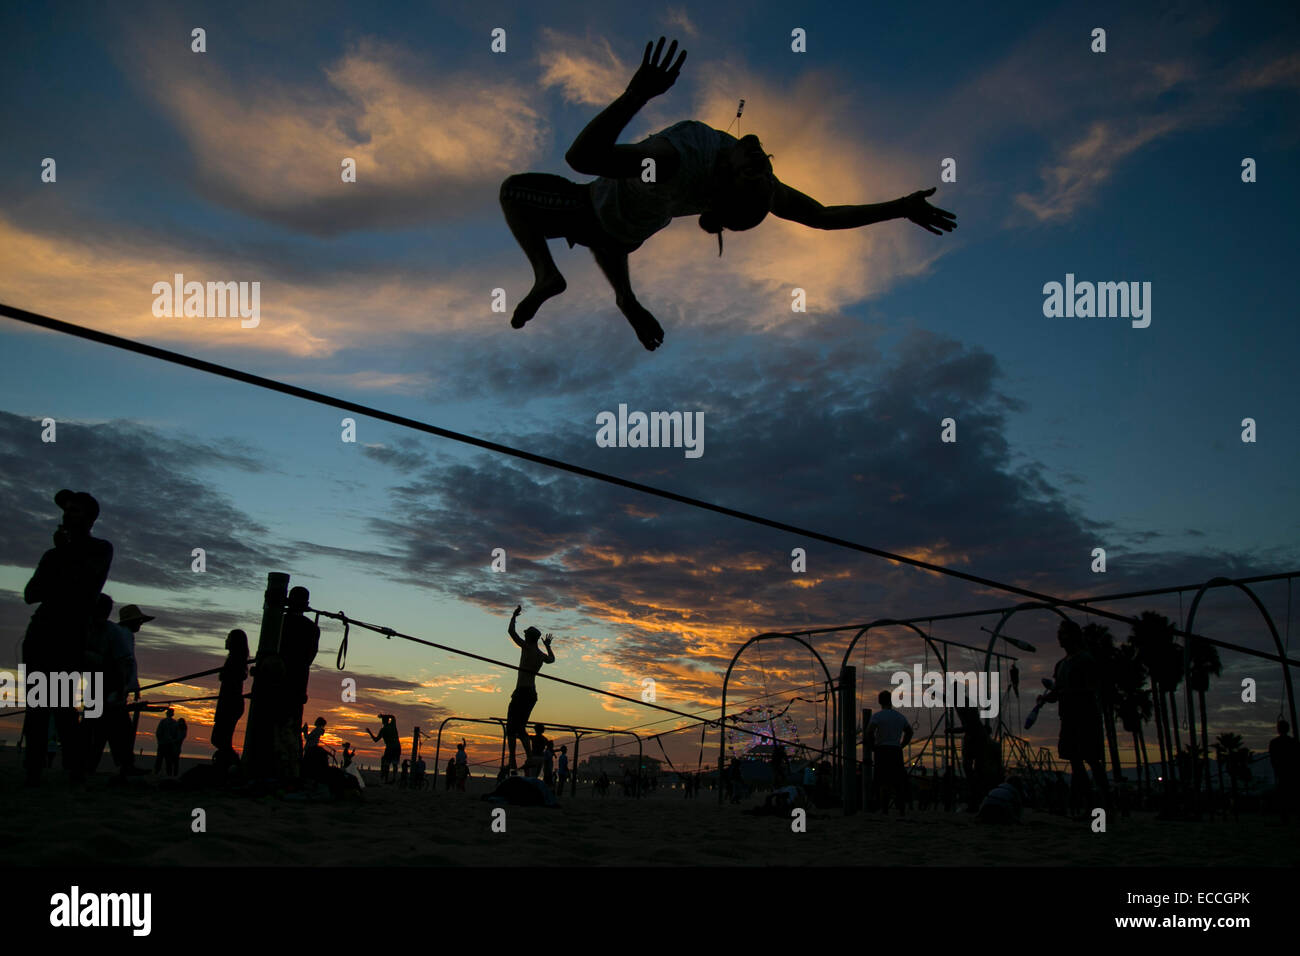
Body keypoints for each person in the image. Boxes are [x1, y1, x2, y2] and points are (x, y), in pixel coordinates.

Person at [499, 36, 956, 352]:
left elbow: (582, 157)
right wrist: (899, 207)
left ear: (723, 188)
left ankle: (546, 275)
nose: (761, 162)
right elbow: (820, 215)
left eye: (753, 173)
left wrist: (636, 93)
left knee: (513, 192)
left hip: (590, 210)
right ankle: (627, 301)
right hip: (626, 233)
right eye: (764, 168)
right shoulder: (752, 187)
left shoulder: (680, 156)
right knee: (613, 243)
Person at [20, 489, 113, 786]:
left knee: (60, 706)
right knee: (37, 707)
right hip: (41, 632)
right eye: (66, 510)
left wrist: (64, 557)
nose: (66, 515)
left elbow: (85, 587)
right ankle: (33, 769)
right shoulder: (54, 554)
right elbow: (30, 593)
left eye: (74, 510)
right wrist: (61, 559)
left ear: (89, 518)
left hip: (69, 634)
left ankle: (73, 769)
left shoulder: (99, 549)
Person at [1043, 620, 1109, 817]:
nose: (1059, 637)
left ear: (1073, 636)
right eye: (1059, 633)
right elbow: (1056, 693)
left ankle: (1106, 807)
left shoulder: (1085, 660)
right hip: (1068, 718)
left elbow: (1090, 688)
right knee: (1075, 762)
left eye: (1063, 633)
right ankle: (1089, 806)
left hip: (1086, 717)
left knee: (1092, 761)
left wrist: (1064, 693)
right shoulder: (1061, 664)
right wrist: (1047, 698)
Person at [83, 593, 141, 777]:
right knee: (116, 729)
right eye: (138, 620)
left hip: (103, 685)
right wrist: (122, 687)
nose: (140, 624)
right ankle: (124, 765)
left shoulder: (111, 631)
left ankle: (88, 766)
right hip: (109, 686)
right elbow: (123, 662)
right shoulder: (120, 633)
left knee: (98, 728)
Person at [505, 605, 555, 772]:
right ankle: (527, 757)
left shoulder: (527, 648)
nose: (524, 636)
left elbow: (511, 632)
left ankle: (515, 758)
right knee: (518, 728)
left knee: (512, 728)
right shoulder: (540, 654)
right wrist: (547, 645)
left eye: (526, 634)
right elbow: (551, 660)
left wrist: (514, 615)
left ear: (529, 638)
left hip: (522, 691)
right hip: (531, 693)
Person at [279, 587, 320, 765]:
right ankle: (291, 764)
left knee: (275, 725)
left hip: (278, 683)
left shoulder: (280, 622)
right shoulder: (312, 628)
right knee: (292, 725)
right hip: (298, 684)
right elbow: (310, 658)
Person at [866, 690, 913, 816]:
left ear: (880, 701)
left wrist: (872, 746)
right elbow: (909, 732)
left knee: (882, 780)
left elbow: (869, 732)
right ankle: (901, 808)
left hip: (882, 750)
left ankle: (885, 809)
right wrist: (902, 744)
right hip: (896, 750)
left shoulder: (877, 716)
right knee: (898, 780)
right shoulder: (900, 717)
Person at [211, 628, 249, 763]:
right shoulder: (236, 661)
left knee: (220, 739)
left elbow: (231, 684)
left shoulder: (235, 661)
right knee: (221, 738)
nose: (226, 641)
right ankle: (228, 762)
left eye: (229, 638)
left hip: (230, 703)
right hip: (229, 702)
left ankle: (230, 763)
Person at [1269, 719, 1300, 823]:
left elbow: (1273, 759)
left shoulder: (1274, 743)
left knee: (1283, 795)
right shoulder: (1294, 742)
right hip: (1292, 772)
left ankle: (1285, 817)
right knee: (1293, 794)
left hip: (1282, 771)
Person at [367, 714, 401, 783]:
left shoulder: (383, 730)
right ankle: (393, 778)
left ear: (383, 722)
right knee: (394, 764)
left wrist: (369, 732)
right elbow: (393, 716)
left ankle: (386, 778)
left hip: (390, 748)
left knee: (386, 763)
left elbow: (375, 740)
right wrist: (383, 715)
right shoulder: (392, 725)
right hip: (397, 747)